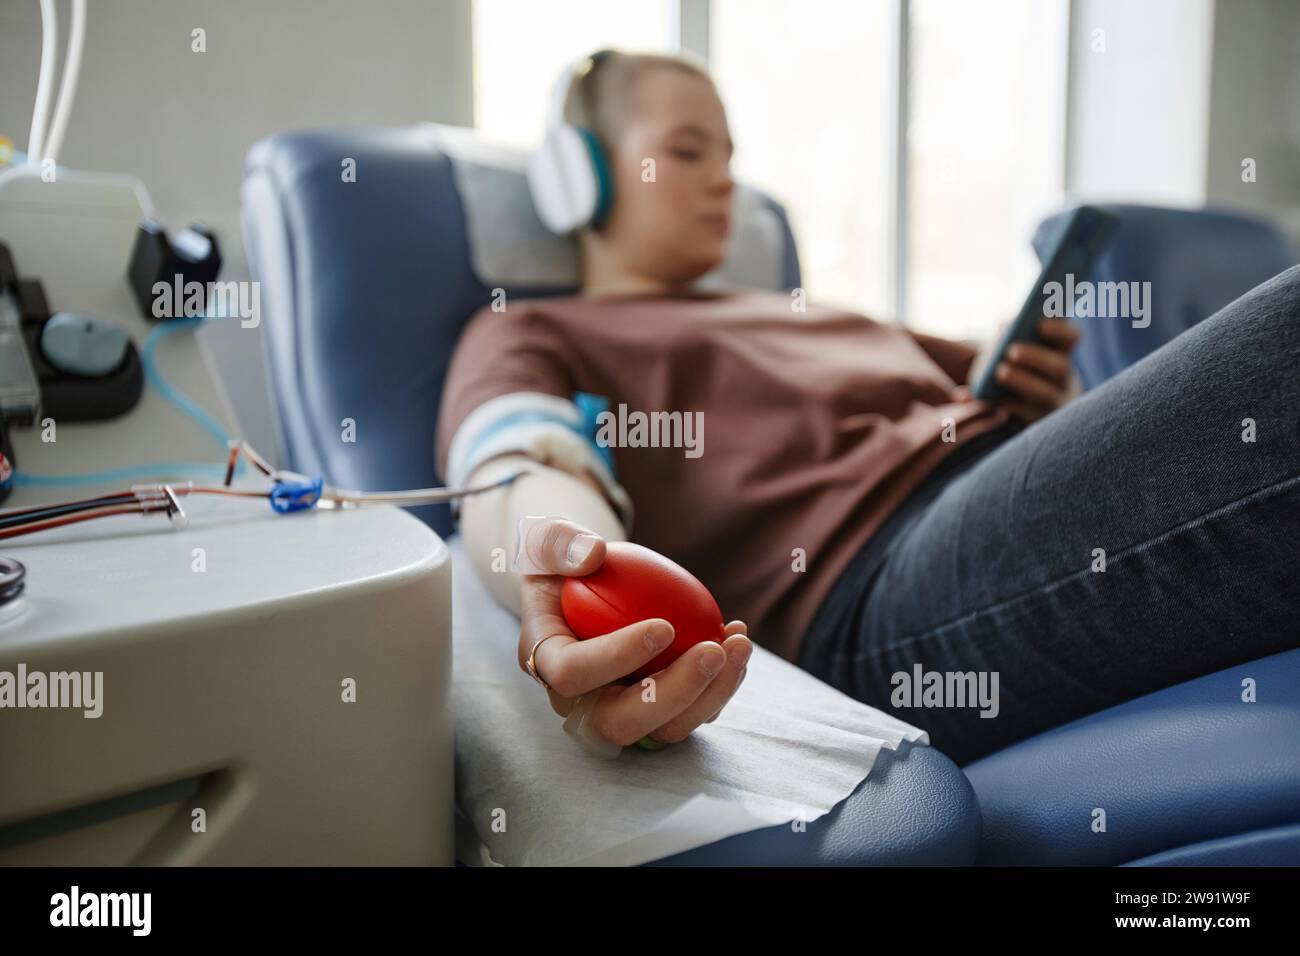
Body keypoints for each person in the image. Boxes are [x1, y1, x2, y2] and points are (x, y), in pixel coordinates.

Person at [435, 49, 1300, 764]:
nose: (724, 184)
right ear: (577, 176)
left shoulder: (818, 311)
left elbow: (1024, 397)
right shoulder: (537, 328)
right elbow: (519, 465)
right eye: (688, 151)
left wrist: (1052, 395)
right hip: (878, 584)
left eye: (732, 158)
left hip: (996, 496)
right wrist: (563, 571)